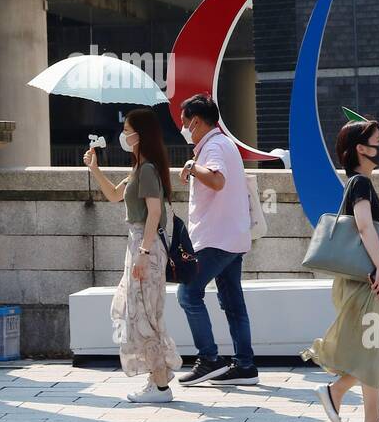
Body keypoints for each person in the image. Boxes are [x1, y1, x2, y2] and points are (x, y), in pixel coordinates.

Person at [303, 120, 379, 422]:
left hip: (363, 278)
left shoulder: (360, 182)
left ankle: (341, 399)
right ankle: (369, 421)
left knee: (373, 346)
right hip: (364, 280)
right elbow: (364, 227)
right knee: (372, 346)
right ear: (361, 149)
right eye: (378, 141)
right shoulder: (359, 184)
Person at [84, 108, 183, 403]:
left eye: (127, 130)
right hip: (139, 245)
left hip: (145, 246)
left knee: (144, 315)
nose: (124, 135)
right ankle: (158, 380)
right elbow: (115, 195)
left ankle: (161, 385)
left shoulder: (148, 170)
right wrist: (95, 169)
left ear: (140, 134)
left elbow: (155, 213)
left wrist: (143, 252)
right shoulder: (139, 169)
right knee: (138, 312)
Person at [174, 93, 259, 385]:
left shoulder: (214, 146)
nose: (183, 128)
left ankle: (208, 358)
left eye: (185, 123)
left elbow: (217, 180)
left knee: (187, 293)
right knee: (233, 303)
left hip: (216, 240)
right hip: (231, 238)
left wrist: (190, 167)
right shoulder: (223, 144)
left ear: (196, 122)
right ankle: (245, 366)